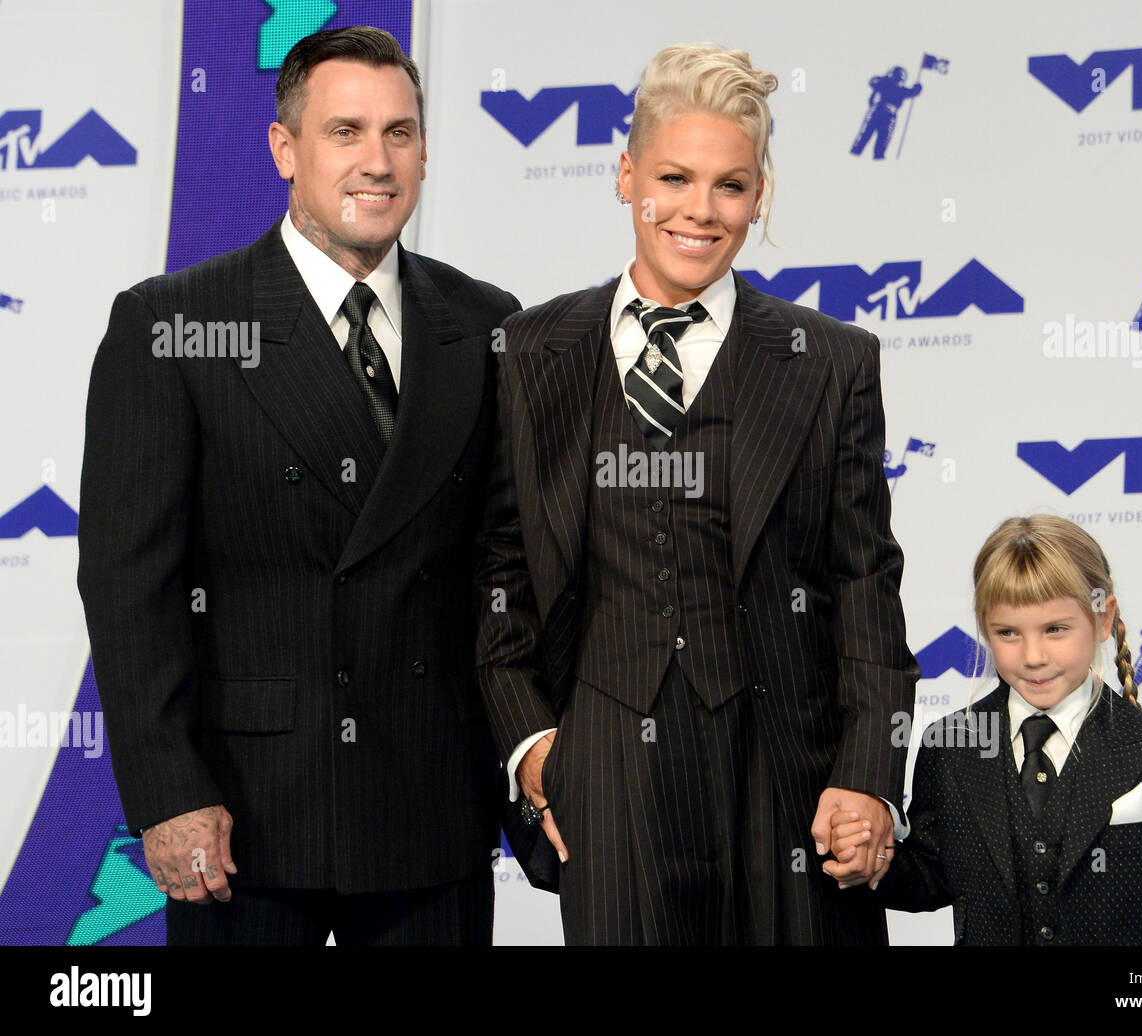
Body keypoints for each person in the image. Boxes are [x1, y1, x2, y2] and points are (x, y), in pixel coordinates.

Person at [77, 26, 518, 945]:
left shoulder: (485, 322)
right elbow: (128, 587)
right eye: (346, 131)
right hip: (245, 822)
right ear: (285, 150)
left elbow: (505, 567)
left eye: (400, 133)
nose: (378, 161)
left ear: (427, 151)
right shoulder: (174, 323)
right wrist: (168, 795)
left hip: (431, 814)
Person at [476, 43, 919, 944]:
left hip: (790, 783)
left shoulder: (830, 362)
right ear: (626, 174)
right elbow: (499, 572)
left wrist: (870, 774)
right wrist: (532, 748)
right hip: (607, 779)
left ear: (759, 196)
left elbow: (866, 586)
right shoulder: (529, 354)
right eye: (675, 176)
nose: (700, 210)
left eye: (731, 185)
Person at [866, 515, 1142, 944]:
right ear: (985, 629)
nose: (1033, 655)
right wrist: (869, 856)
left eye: (1055, 629)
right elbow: (929, 875)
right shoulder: (950, 745)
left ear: (1101, 619)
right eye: (1008, 633)